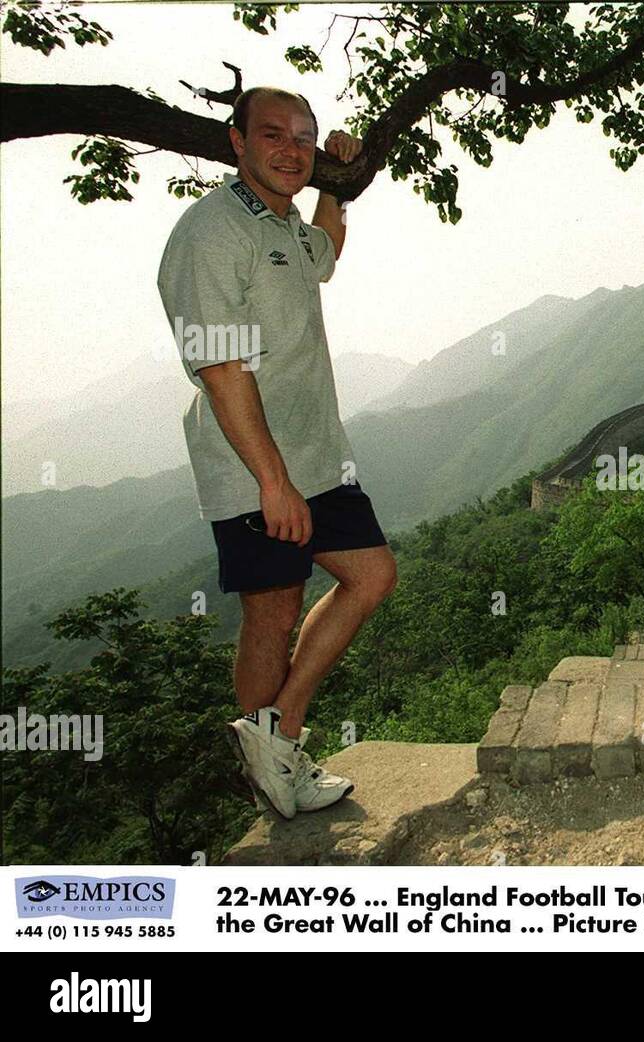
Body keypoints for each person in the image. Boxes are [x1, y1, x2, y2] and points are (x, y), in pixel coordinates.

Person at [157, 87, 397, 819]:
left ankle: (276, 732)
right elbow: (221, 370)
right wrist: (273, 482)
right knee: (273, 611)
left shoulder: (287, 223)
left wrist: (338, 187)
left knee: (372, 575)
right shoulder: (211, 232)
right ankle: (274, 770)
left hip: (319, 456)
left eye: (304, 137)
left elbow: (325, 255)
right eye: (273, 135)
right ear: (236, 141)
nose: (291, 149)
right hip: (251, 464)